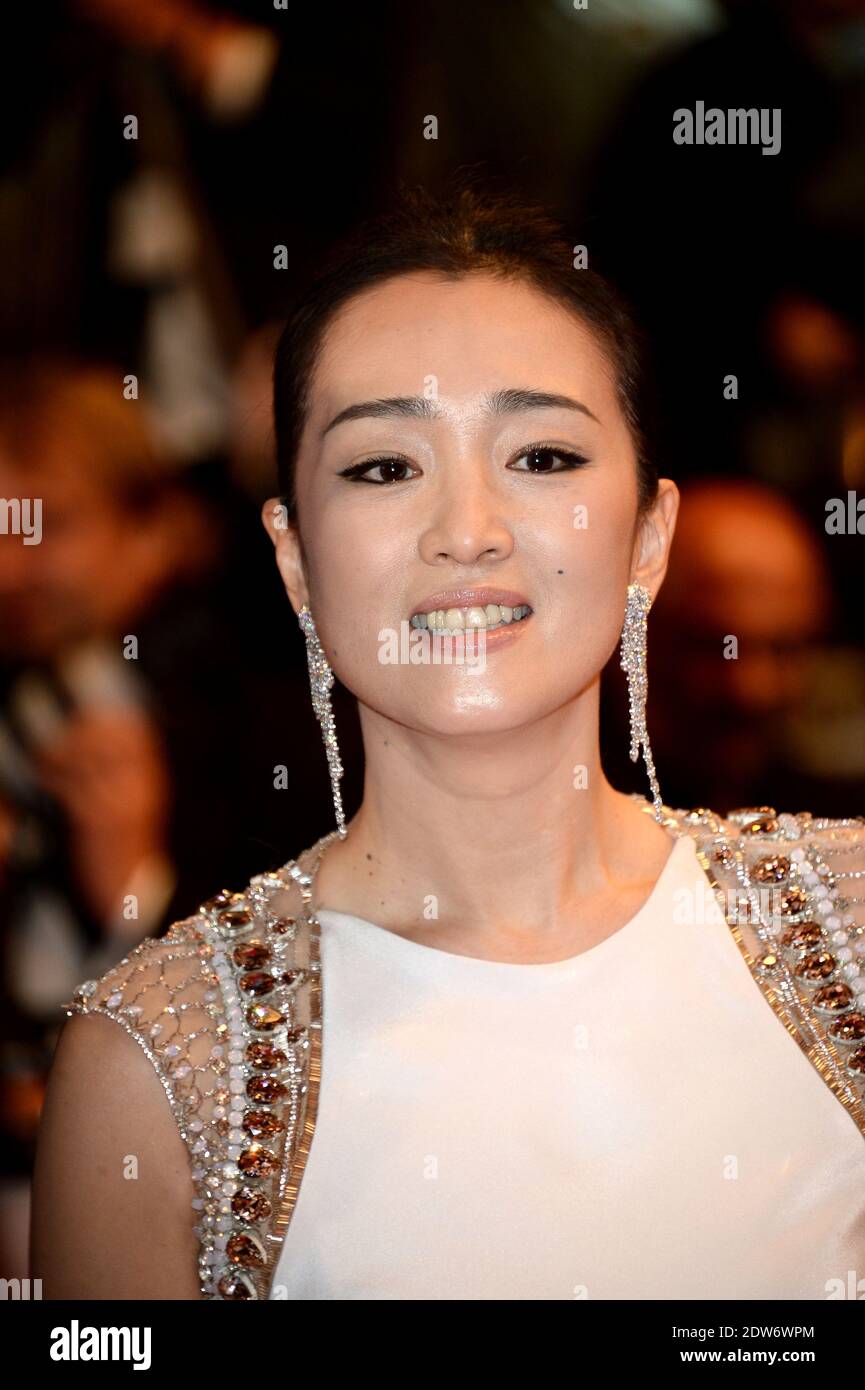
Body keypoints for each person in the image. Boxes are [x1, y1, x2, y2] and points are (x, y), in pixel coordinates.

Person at [30, 179, 865, 1301]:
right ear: (292, 558)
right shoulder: (160, 1064)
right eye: (384, 467)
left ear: (649, 538)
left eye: (542, 458)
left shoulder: (845, 923)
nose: (466, 531)